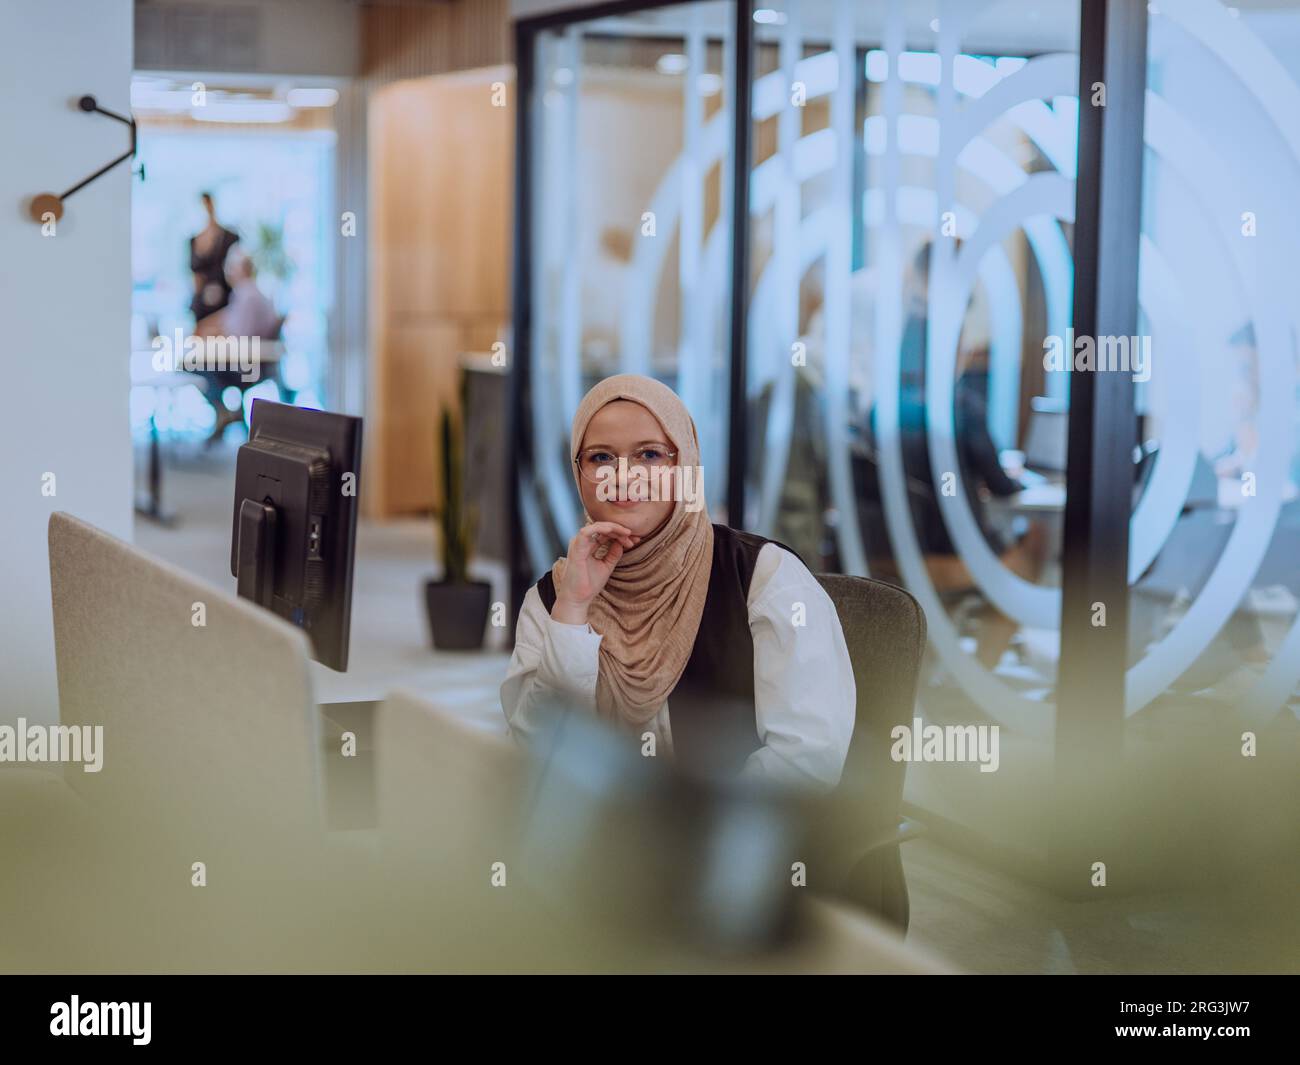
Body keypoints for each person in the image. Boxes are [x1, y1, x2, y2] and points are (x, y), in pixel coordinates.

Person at [500, 374, 856, 792]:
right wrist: (574, 609)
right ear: (579, 475)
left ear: (684, 465)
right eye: (600, 458)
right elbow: (535, 759)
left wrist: (691, 843)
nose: (624, 475)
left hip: (737, 842)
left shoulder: (763, 577)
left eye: (650, 455)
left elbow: (806, 762)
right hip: (597, 846)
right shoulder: (552, 597)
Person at [189, 191, 240, 325]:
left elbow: (235, 272)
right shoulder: (193, 241)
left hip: (224, 301)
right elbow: (196, 277)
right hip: (201, 304)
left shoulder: (230, 238)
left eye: (208, 204)